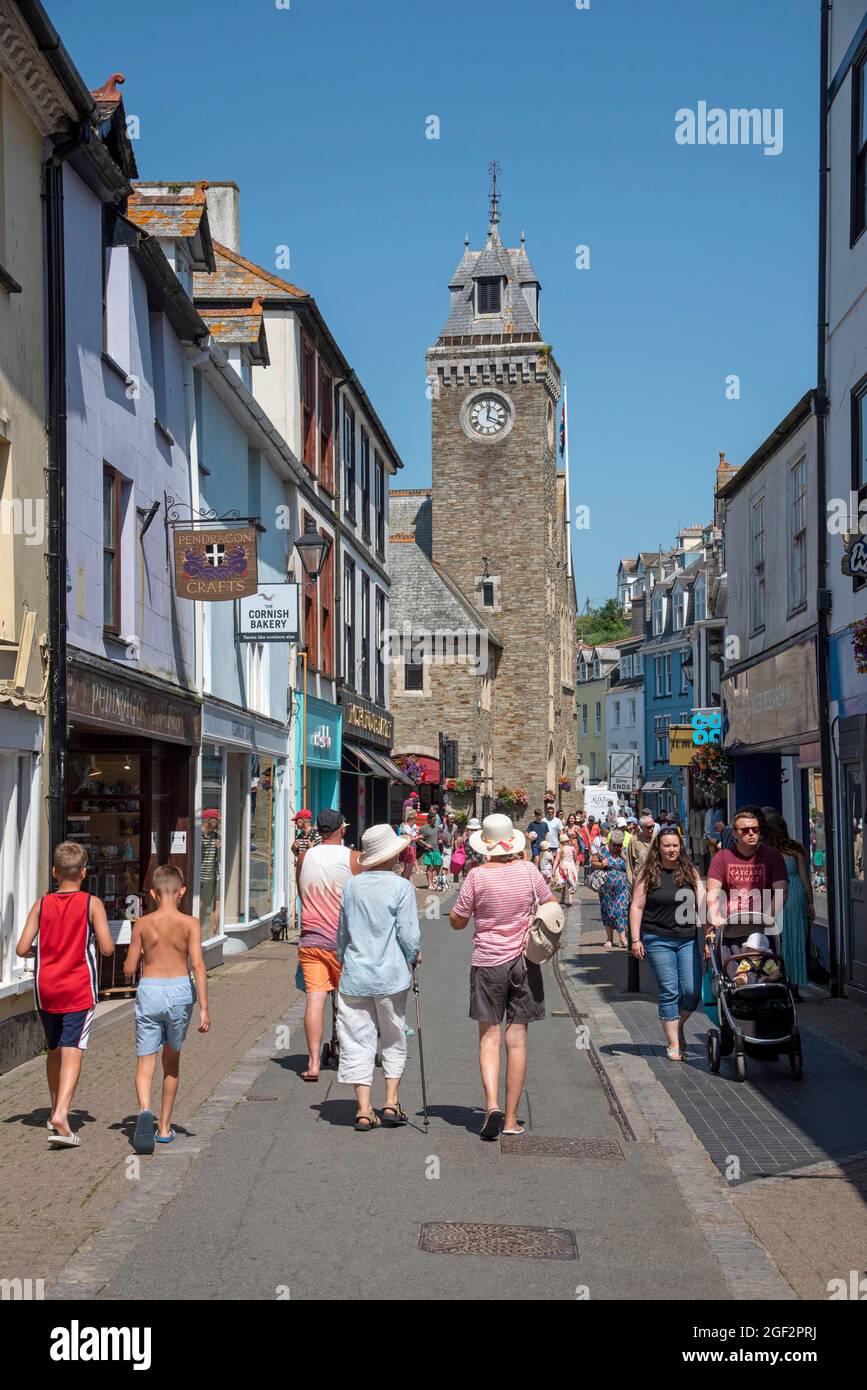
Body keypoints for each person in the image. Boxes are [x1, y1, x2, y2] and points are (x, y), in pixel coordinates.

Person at [449, 814, 552, 1140]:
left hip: (488, 962)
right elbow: (550, 905)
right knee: (516, 1040)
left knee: (489, 1038)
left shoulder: (476, 877)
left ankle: (491, 1104)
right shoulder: (529, 871)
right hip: (524, 961)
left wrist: (466, 914)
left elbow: (458, 921)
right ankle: (510, 1119)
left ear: (485, 845)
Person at [15, 841, 115, 1147]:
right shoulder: (91, 904)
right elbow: (108, 948)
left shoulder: (41, 904)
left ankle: (53, 1108)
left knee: (54, 1048)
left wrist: (43, 951)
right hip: (78, 987)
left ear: (54, 872)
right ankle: (61, 1114)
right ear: (83, 872)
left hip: (46, 988)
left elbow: (21, 948)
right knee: (74, 1047)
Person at [335, 824, 420, 1131]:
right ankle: (391, 1101)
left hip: (355, 974)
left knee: (356, 1039)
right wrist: (414, 955)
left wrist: (342, 959)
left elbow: (342, 933)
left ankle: (362, 1108)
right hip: (390, 975)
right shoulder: (401, 887)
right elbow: (408, 934)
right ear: (392, 855)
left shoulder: (351, 886)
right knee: (393, 1035)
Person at [123, 864, 210, 1151]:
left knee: (145, 1059)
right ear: (182, 891)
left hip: (150, 990)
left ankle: (144, 1109)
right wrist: (204, 1008)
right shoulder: (190, 923)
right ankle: (163, 1127)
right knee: (171, 1062)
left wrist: (137, 953)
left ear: (152, 893)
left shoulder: (142, 924)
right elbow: (198, 965)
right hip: (179, 991)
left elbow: (128, 969)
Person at [297, 810, 362, 1081]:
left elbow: (301, 891)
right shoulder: (353, 858)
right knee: (349, 1002)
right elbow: (361, 896)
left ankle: (313, 1064)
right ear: (341, 830)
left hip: (311, 939)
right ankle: (351, 1058)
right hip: (344, 942)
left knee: (315, 999)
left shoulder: (304, 857)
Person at [628, 829, 705, 1061]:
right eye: (667, 846)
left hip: (687, 938)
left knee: (692, 992)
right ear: (658, 848)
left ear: (681, 847)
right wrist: (635, 939)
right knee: (669, 990)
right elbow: (637, 906)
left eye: (675, 845)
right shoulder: (648, 873)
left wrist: (711, 930)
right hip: (657, 938)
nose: (672, 850)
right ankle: (673, 1043)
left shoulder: (689, 871)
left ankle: (676, 1025)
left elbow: (703, 902)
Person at [706, 807, 788, 935]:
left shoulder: (773, 856)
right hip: (730, 928)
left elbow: (781, 891)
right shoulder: (722, 857)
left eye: (755, 829)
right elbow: (712, 892)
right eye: (745, 830)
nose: (751, 833)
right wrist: (715, 917)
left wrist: (767, 918)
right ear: (734, 834)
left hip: (762, 929)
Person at [762, 811, 813, 1000]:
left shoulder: (766, 851)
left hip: (776, 894)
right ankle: (794, 986)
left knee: (778, 940)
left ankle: (779, 981)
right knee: (797, 939)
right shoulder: (796, 849)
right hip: (796, 893)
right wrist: (810, 902)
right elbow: (805, 877)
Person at [592, 827, 630, 948]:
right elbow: (593, 862)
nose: (617, 848)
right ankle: (609, 939)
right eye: (614, 845)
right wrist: (601, 864)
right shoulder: (602, 851)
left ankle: (623, 939)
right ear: (610, 842)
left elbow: (631, 866)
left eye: (619, 845)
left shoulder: (624, 852)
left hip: (622, 888)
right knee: (607, 912)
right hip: (606, 889)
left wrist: (624, 856)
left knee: (621, 910)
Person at [625, 811, 657, 887]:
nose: (652, 829)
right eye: (649, 827)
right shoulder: (634, 840)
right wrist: (631, 884)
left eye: (653, 826)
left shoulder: (657, 839)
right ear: (642, 827)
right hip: (639, 881)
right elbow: (629, 864)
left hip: (655, 880)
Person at [553, 832, 579, 907]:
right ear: (567, 841)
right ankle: (570, 900)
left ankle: (562, 899)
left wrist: (554, 869)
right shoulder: (572, 848)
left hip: (562, 866)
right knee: (570, 882)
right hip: (570, 866)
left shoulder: (559, 850)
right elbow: (575, 858)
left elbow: (556, 860)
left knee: (563, 883)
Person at [417, 812, 442, 890]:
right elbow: (418, 839)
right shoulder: (423, 828)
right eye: (433, 820)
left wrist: (440, 840)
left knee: (437, 867)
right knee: (430, 867)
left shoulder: (437, 827)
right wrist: (426, 845)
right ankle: (430, 884)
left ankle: (434, 882)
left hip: (437, 849)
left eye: (435, 820)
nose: (434, 821)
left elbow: (438, 836)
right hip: (428, 850)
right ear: (429, 819)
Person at [398, 807, 419, 881]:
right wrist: (419, 837)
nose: (415, 821)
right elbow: (411, 839)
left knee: (409, 869)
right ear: (410, 819)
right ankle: (403, 882)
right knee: (408, 868)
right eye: (415, 819)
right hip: (409, 848)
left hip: (410, 848)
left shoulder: (409, 827)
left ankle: (407, 883)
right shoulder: (407, 827)